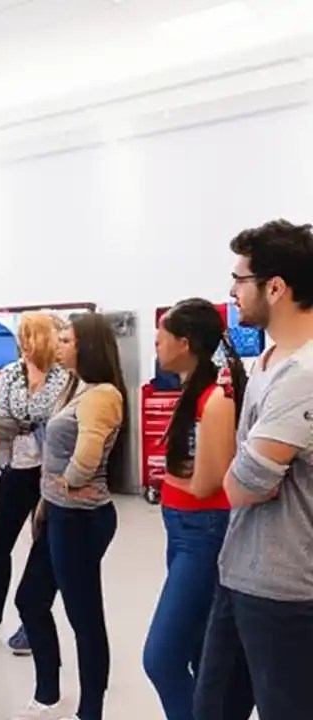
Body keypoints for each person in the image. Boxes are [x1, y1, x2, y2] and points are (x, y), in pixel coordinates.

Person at [194, 219, 313, 720]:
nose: (232, 292)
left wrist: (241, 476)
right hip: (240, 571)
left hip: (286, 591)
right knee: (213, 708)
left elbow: (241, 486)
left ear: (276, 287)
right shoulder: (266, 360)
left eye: (239, 280)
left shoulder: (304, 375)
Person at [12, 313, 124, 720]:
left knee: (84, 615)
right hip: (60, 514)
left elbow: (88, 454)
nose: (59, 344)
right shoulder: (78, 388)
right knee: (30, 599)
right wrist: (49, 499)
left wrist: (66, 484)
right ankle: (47, 694)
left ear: (87, 346)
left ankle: (89, 711)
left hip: (81, 518)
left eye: (67, 339)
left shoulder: (102, 395)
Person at [142, 298, 247, 720]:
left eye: (160, 340)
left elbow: (207, 483)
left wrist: (163, 478)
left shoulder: (215, 399)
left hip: (204, 532)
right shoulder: (193, 392)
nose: (156, 348)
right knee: (200, 652)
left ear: (184, 343)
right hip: (184, 529)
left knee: (162, 657)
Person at [0, 313, 70, 654]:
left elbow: (58, 420)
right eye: (22, 336)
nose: (24, 343)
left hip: (52, 469)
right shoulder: (11, 373)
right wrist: (30, 425)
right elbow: (3, 418)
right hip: (15, 465)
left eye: (30, 336)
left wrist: (28, 423)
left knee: (42, 544)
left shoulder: (64, 377)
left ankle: (31, 621)